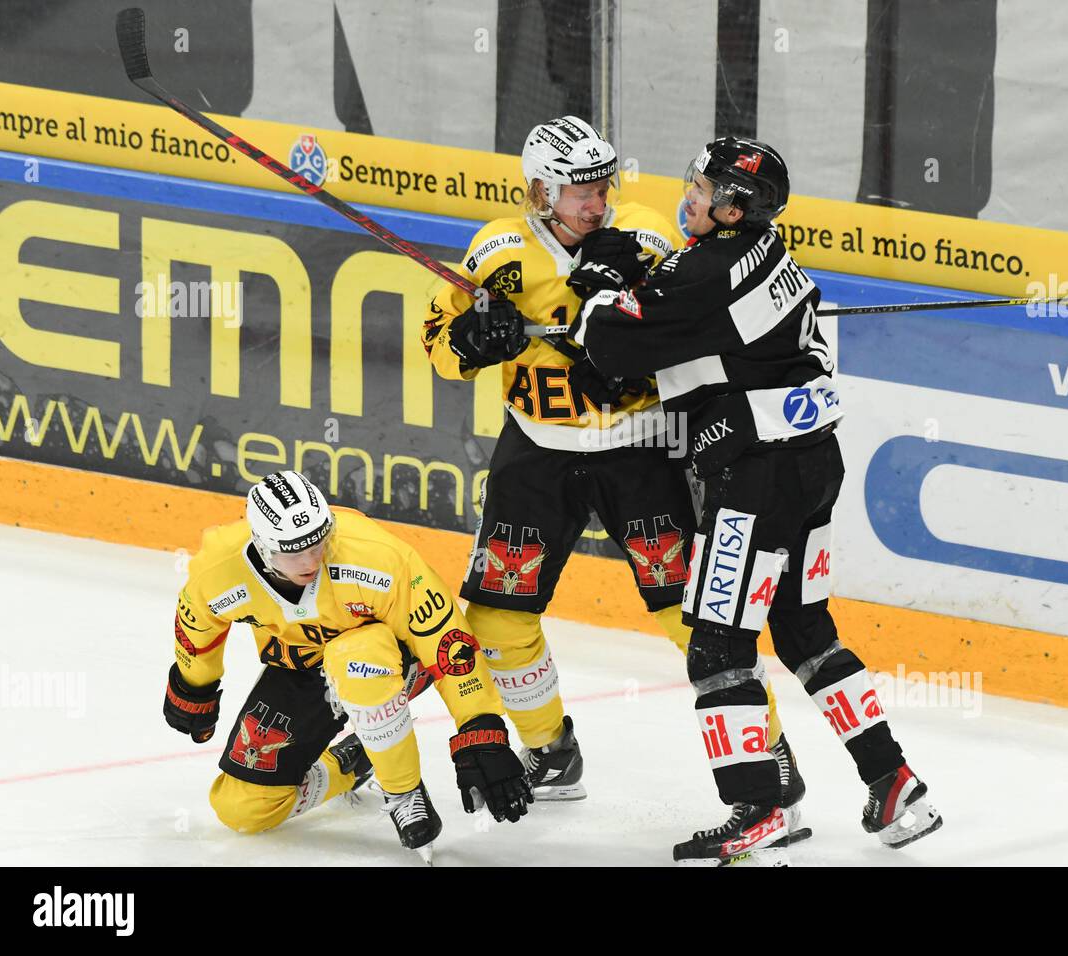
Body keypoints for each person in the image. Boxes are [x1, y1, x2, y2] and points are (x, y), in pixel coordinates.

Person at [573, 137, 943, 865]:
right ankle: (893, 781)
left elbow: (611, 346)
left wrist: (595, 289)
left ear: (735, 207)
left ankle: (759, 809)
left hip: (756, 479)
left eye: (704, 188)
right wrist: (639, 284)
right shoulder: (769, 251)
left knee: (717, 641)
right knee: (804, 629)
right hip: (812, 466)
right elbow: (699, 316)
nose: (691, 195)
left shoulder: (707, 269)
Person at [424, 116, 804, 812]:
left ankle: (766, 752)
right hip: (535, 453)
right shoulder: (498, 251)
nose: (596, 204)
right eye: (579, 193)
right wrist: (473, 340)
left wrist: (626, 346)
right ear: (540, 192)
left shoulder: (651, 236)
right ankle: (549, 749)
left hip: (639, 452)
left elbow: (692, 327)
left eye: (604, 186)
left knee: (696, 619)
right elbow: (437, 348)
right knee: (499, 620)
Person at [164, 470, 531, 859]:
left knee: (355, 660)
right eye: (293, 551)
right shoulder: (218, 569)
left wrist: (481, 727)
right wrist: (194, 686)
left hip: (389, 660)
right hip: (302, 668)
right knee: (240, 808)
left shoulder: (376, 556)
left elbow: (447, 642)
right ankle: (351, 762)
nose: (310, 560)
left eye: (318, 543)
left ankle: (403, 792)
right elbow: (196, 624)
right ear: (263, 546)